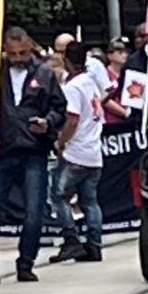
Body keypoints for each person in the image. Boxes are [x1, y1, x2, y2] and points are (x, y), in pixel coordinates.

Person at [0, 27, 66, 286]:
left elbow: (60, 108)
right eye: (12, 54)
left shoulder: (44, 73)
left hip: (33, 149)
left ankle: (26, 263)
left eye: (22, 52)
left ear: (30, 47)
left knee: (34, 211)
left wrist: (48, 123)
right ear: (4, 50)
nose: (17, 58)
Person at [48, 40, 108, 264]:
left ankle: (71, 240)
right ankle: (94, 243)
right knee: (90, 200)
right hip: (93, 151)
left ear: (66, 60)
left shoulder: (72, 87)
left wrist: (61, 142)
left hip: (76, 151)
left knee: (59, 195)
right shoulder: (90, 82)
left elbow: (72, 119)